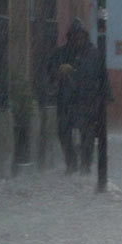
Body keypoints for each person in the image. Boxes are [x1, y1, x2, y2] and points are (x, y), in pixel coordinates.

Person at [47, 19, 108, 174]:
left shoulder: (94, 54)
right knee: (63, 132)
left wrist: (105, 96)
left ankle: (86, 165)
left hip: (87, 102)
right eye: (75, 37)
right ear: (70, 37)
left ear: (85, 37)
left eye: (80, 37)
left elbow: (102, 76)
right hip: (67, 102)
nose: (78, 40)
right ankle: (71, 163)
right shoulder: (61, 54)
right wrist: (58, 72)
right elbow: (49, 73)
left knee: (87, 134)